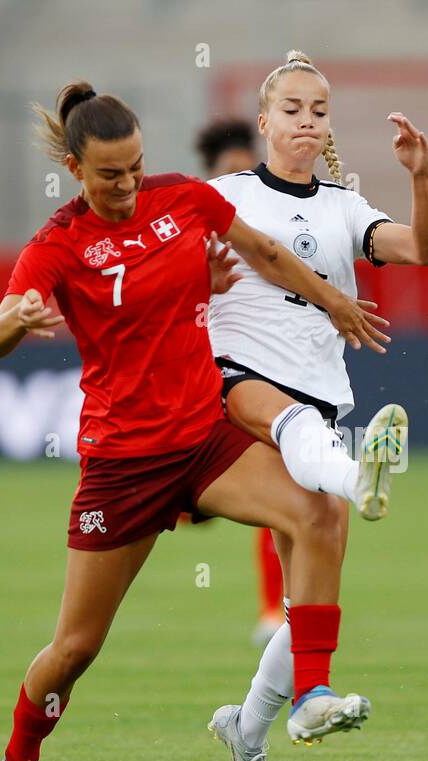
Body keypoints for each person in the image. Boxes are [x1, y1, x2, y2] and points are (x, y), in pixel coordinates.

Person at [0, 81, 389, 761]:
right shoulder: (56, 246)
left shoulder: (182, 199)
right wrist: (17, 322)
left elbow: (262, 249)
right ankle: (20, 758)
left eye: (137, 165)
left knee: (321, 512)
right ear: (75, 170)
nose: (130, 183)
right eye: (111, 174)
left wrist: (334, 301)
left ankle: (311, 693)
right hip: (122, 467)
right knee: (75, 649)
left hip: (205, 440)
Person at [202, 50, 428, 761]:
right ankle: (358, 471)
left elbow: (424, 250)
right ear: (266, 121)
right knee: (322, 482)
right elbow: (231, 261)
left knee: (318, 542)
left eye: (318, 110)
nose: (306, 121)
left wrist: (421, 175)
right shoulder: (225, 195)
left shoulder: (344, 206)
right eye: (292, 109)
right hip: (235, 387)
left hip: (314, 402)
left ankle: (263, 720)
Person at [194, 118, 287, 648]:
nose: (238, 183)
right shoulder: (190, 222)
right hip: (197, 375)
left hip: (256, 373)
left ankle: (276, 610)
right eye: (227, 174)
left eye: (243, 171)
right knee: (186, 506)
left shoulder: (263, 223)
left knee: (285, 484)